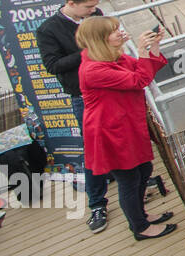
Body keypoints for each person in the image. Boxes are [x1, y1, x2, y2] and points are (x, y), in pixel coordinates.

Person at [75, 18, 175, 241]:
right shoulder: (93, 69)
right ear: (101, 39)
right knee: (129, 179)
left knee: (143, 171)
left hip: (124, 126)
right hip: (110, 132)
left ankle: (141, 216)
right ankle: (140, 227)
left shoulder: (111, 58)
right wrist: (141, 49)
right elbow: (139, 80)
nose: (120, 33)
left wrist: (153, 47)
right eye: (114, 31)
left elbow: (142, 70)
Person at [37, 0, 110, 233]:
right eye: (89, 6)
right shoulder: (48, 30)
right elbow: (53, 65)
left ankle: (126, 184)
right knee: (93, 151)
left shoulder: (96, 15)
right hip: (83, 96)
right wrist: (88, 52)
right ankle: (97, 203)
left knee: (115, 140)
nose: (94, 10)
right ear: (71, 3)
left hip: (109, 87)